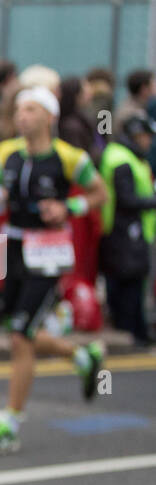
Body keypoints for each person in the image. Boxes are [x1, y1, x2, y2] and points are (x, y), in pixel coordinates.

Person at [0, 86, 109, 455]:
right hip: (15, 243)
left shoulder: (70, 158)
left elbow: (100, 193)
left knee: (21, 335)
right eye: (20, 109)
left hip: (48, 249)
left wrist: (70, 208)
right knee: (18, 330)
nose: (23, 116)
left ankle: (10, 425)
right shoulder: (6, 153)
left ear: (49, 117)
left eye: (32, 110)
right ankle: (82, 356)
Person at [97, 114, 156, 347]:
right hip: (124, 231)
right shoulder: (123, 159)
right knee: (129, 283)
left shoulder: (125, 155)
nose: (149, 142)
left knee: (127, 282)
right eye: (146, 137)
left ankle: (134, 330)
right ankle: (132, 331)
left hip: (123, 230)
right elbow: (127, 199)